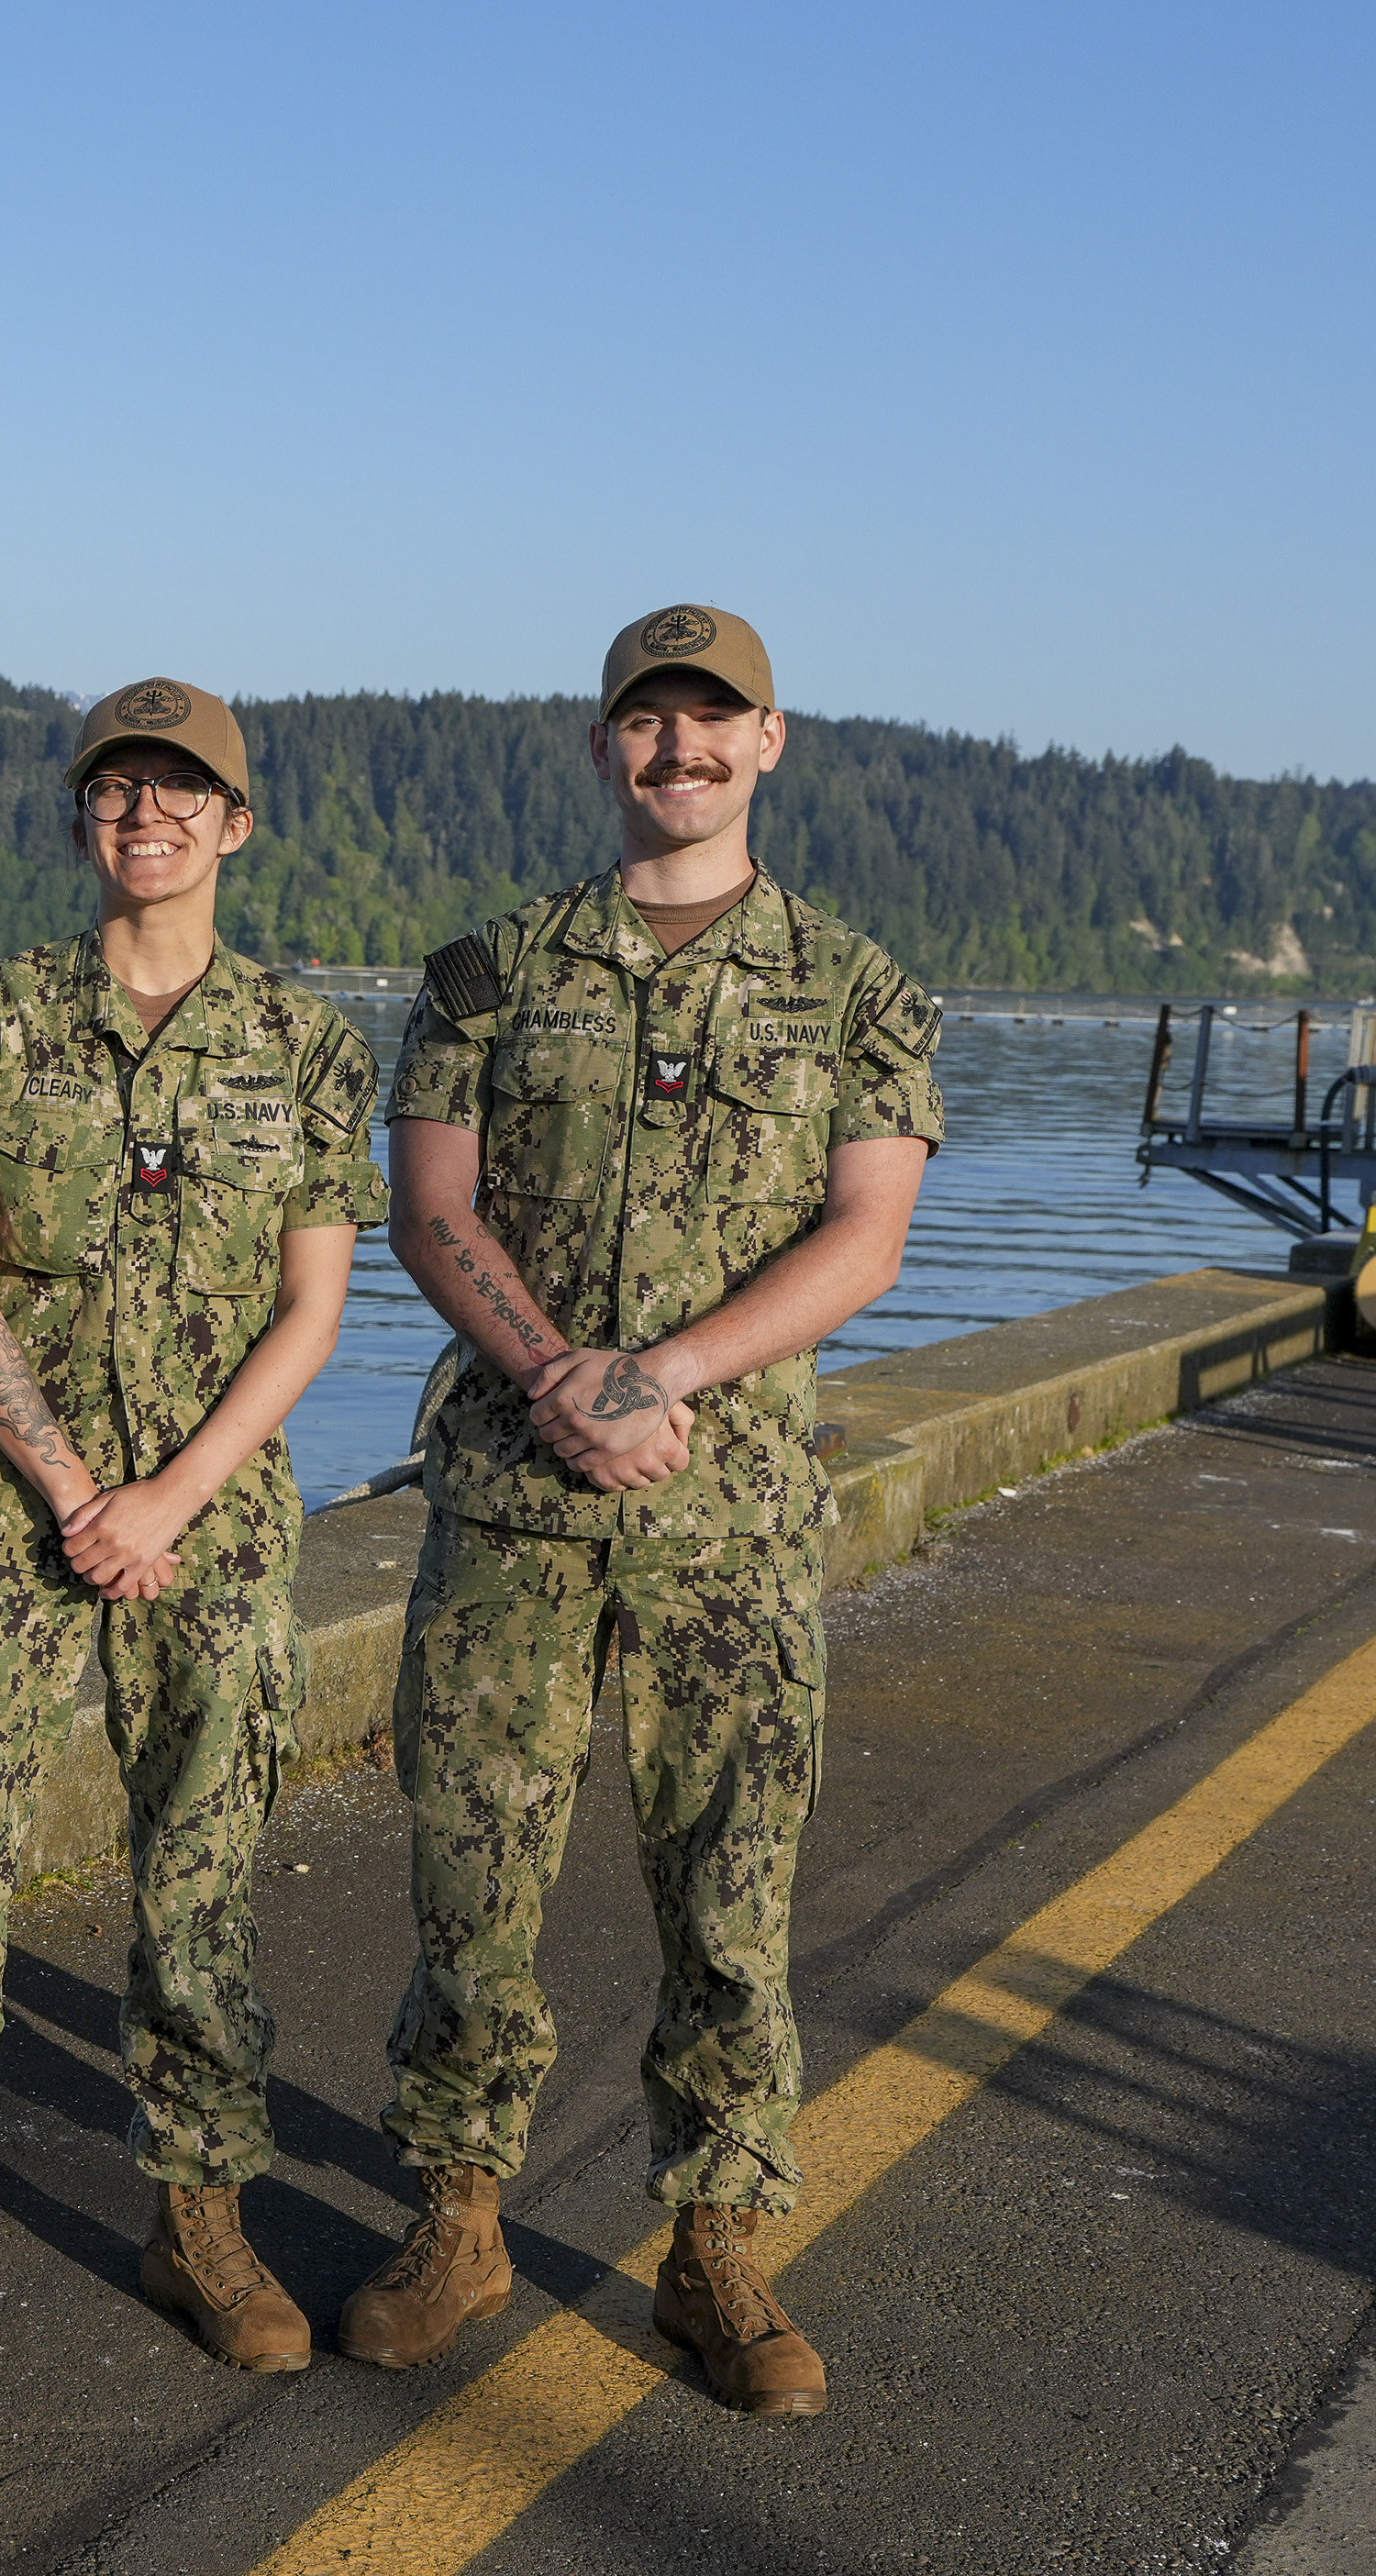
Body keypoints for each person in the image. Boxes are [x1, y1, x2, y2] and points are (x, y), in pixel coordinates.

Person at [344, 603, 939, 2419]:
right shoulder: (490, 971)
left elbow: (866, 1235)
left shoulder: (855, 987)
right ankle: (458, 2214)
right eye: (647, 719)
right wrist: (558, 1377)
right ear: (602, 744)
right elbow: (432, 1208)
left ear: (771, 739)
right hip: (513, 1502)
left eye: (711, 717)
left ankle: (716, 2241)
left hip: (727, 1514)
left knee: (730, 1888)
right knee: (472, 1873)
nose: (678, 747)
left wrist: (658, 1376)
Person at [0, 678, 382, 2382]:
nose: (149, 815)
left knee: (203, 1867)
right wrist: (76, 1494)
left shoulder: (309, 1048)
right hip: (8, 1510)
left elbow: (314, 1309)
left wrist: (168, 1498)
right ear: (82, 820)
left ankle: (199, 2208)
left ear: (236, 824)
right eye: (118, 788)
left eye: (182, 790)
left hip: (215, 1520)